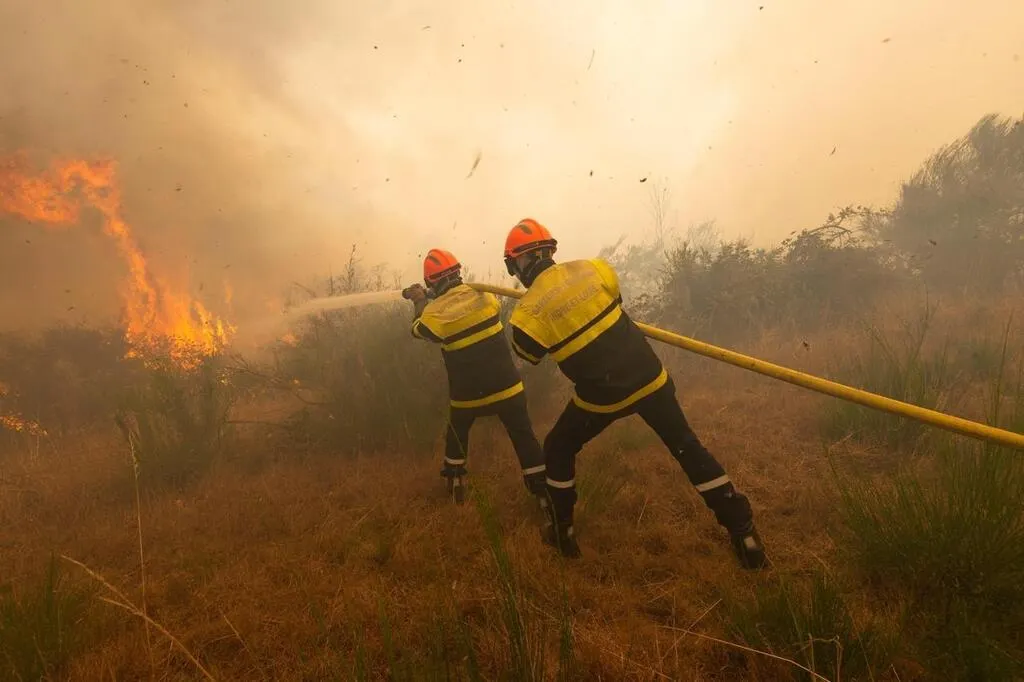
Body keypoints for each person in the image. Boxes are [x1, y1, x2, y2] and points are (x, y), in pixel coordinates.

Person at [501, 219, 767, 569]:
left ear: (516, 264)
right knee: (687, 446)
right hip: (650, 379)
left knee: (558, 447)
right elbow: (612, 301)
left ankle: (562, 533)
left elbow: (530, 355)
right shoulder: (593, 268)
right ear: (550, 250)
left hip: (600, 398)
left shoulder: (525, 315)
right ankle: (745, 534)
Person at [403, 248, 548, 510]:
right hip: (508, 389)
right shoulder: (485, 296)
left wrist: (419, 301)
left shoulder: (435, 313)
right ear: (458, 272)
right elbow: (462, 305)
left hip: (468, 397)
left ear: (430, 282)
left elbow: (419, 329)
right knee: (524, 435)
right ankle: (542, 492)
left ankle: (455, 480)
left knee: (457, 433)